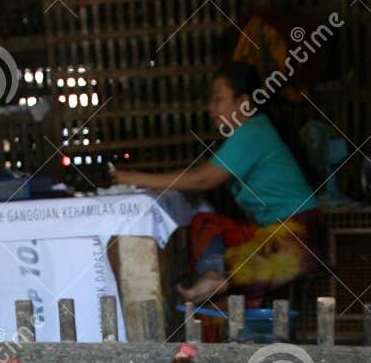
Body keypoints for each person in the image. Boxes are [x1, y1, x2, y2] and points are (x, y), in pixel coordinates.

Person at [109, 62, 320, 303]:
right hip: (271, 232)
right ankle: (216, 279)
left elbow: (203, 179)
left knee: (254, 263)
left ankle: (219, 282)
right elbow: (200, 175)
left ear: (244, 102)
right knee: (206, 224)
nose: (211, 108)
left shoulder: (253, 133)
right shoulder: (249, 132)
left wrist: (129, 177)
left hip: (299, 237)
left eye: (218, 99)